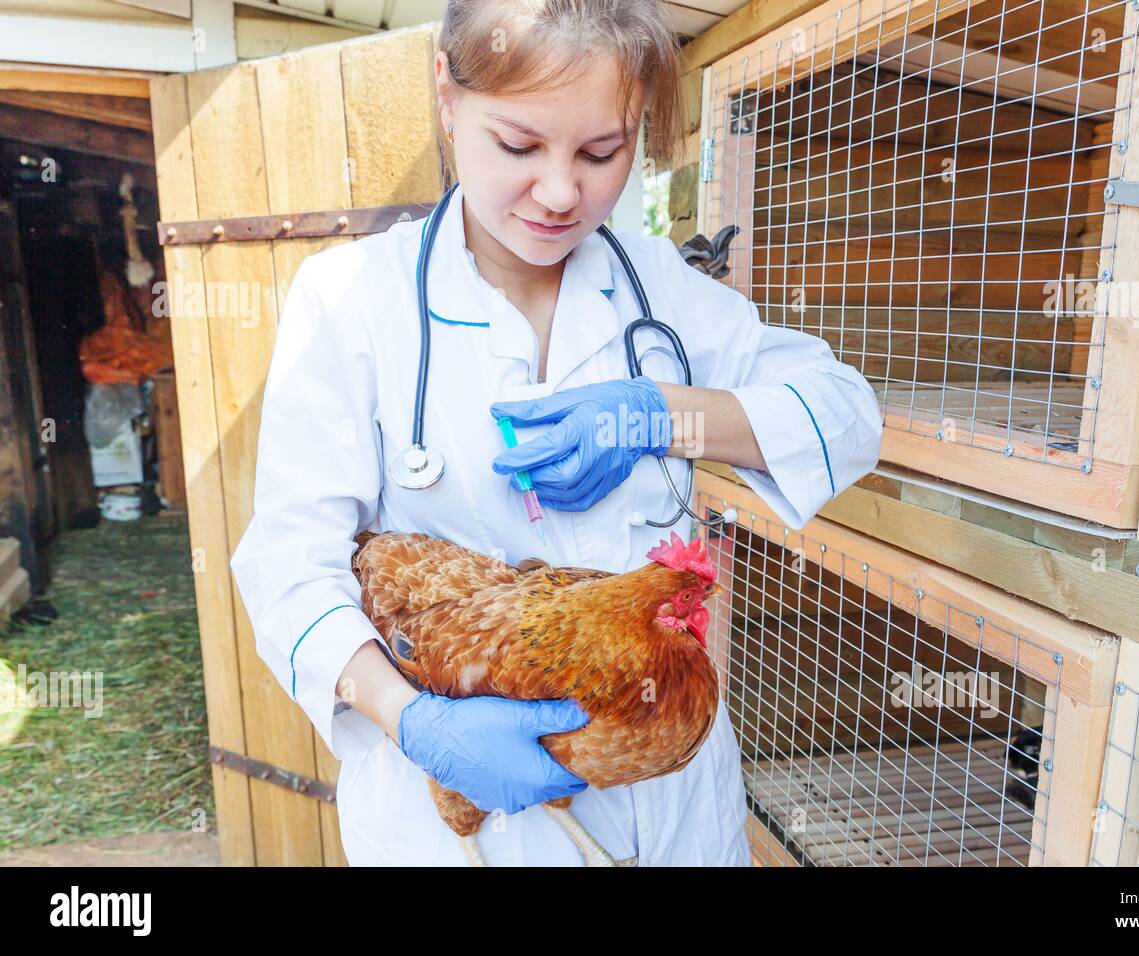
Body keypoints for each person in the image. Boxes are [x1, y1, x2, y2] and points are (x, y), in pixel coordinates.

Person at [229, 0, 883, 866]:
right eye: (519, 145)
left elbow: (847, 415)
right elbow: (287, 564)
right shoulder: (351, 299)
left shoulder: (666, 291)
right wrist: (411, 719)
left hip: (672, 807)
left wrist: (666, 413)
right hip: (459, 825)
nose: (562, 192)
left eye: (602, 152)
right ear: (447, 98)